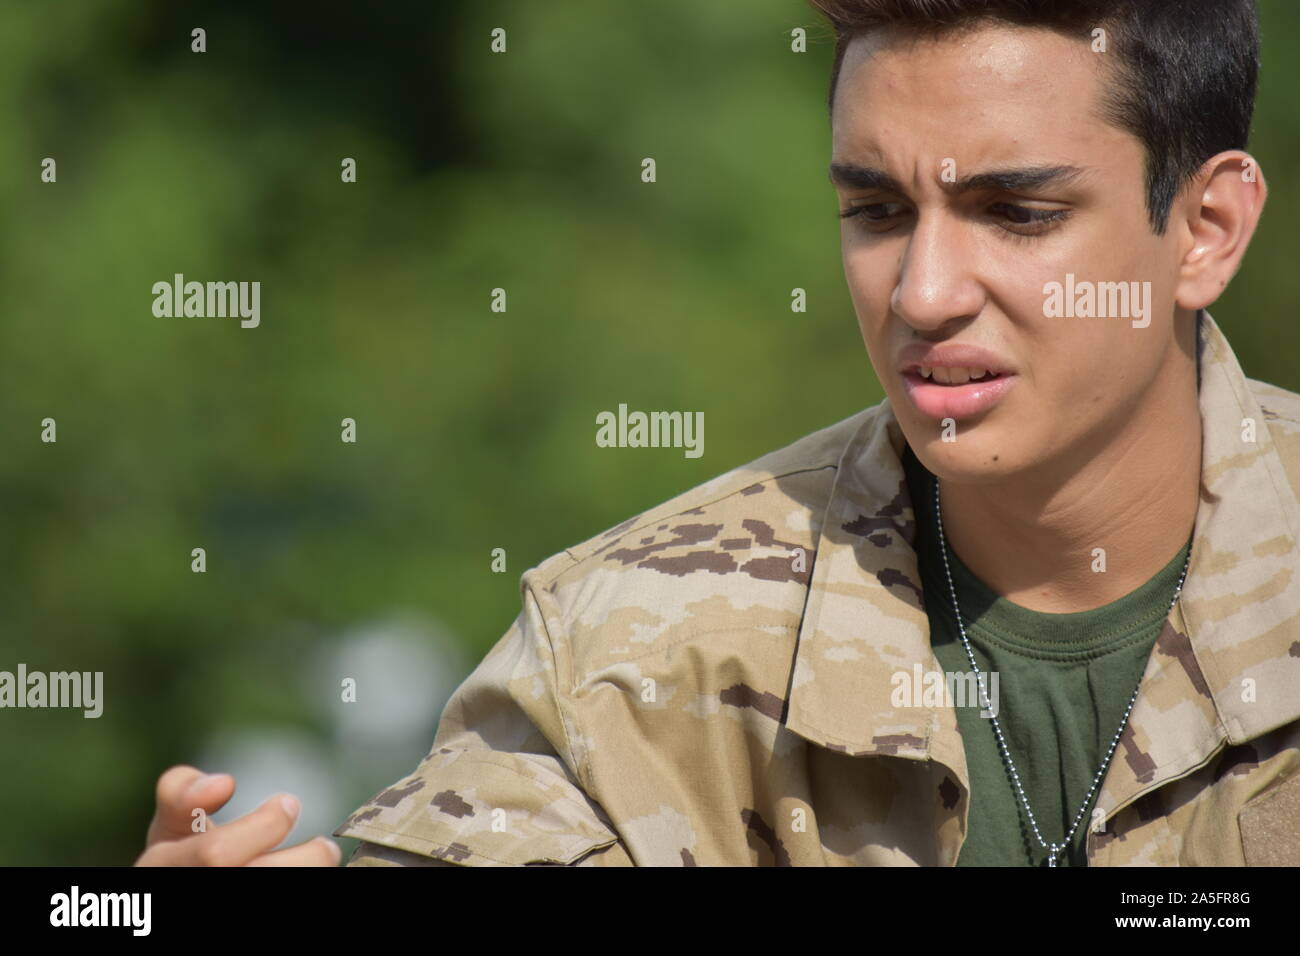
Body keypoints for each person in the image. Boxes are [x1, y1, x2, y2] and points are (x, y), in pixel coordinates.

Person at [137, 0, 1300, 867]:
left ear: (1204, 228)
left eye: (1016, 212)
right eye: (876, 212)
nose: (925, 291)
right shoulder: (631, 651)